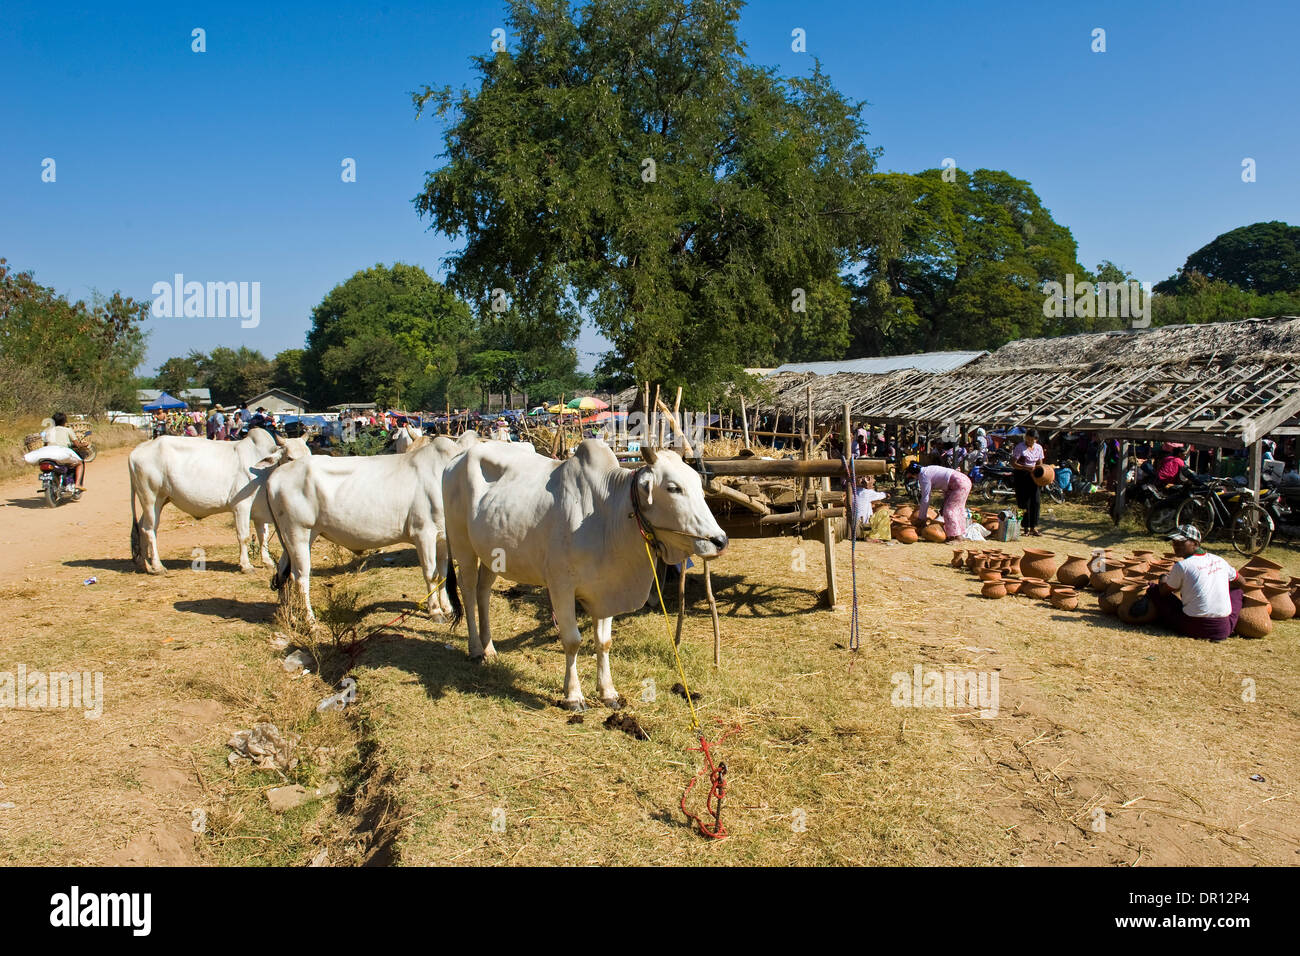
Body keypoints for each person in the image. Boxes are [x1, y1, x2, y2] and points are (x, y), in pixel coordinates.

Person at [1141, 525, 1243, 642]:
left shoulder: (1182, 566)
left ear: (1195, 543)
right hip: (1222, 630)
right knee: (1237, 592)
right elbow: (1241, 582)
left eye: (1181, 542)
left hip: (1192, 627)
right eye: (1174, 542)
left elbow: (1164, 592)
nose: (1176, 546)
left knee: (1154, 589)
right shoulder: (1219, 560)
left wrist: (1163, 578)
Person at [905, 460, 972, 539]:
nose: (914, 479)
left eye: (911, 477)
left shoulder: (923, 475)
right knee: (957, 509)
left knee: (949, 511)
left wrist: (921, 518)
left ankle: (957, 537)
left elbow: (926, 498)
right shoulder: (927, 469)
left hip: (959, 484)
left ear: (914, 474)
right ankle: (958, 534)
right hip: (963, 481)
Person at [1011, 427, 1046, 536]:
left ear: (1036, 439)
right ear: (1026, 437)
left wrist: (1040, 472)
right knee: (1024, 502)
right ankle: (1025, 527)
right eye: (1028, 438)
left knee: (1035, 501)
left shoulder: (1039, 448)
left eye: (1032, 439)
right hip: (1022, 475)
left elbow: (1040, 462)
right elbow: (1013, 463)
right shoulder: (1020, 447)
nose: (1030, 441)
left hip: (1033, 476)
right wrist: (1026, 468)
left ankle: (1033, 527)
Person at [42, 412, 87, 490]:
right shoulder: (68, 430)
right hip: (62, 454)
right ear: (64, 422)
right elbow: (77, 445)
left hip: (49, 454)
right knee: (79, 463)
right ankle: (77, 484)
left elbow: (45, 445)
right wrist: (84, 444)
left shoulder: (47, 431)